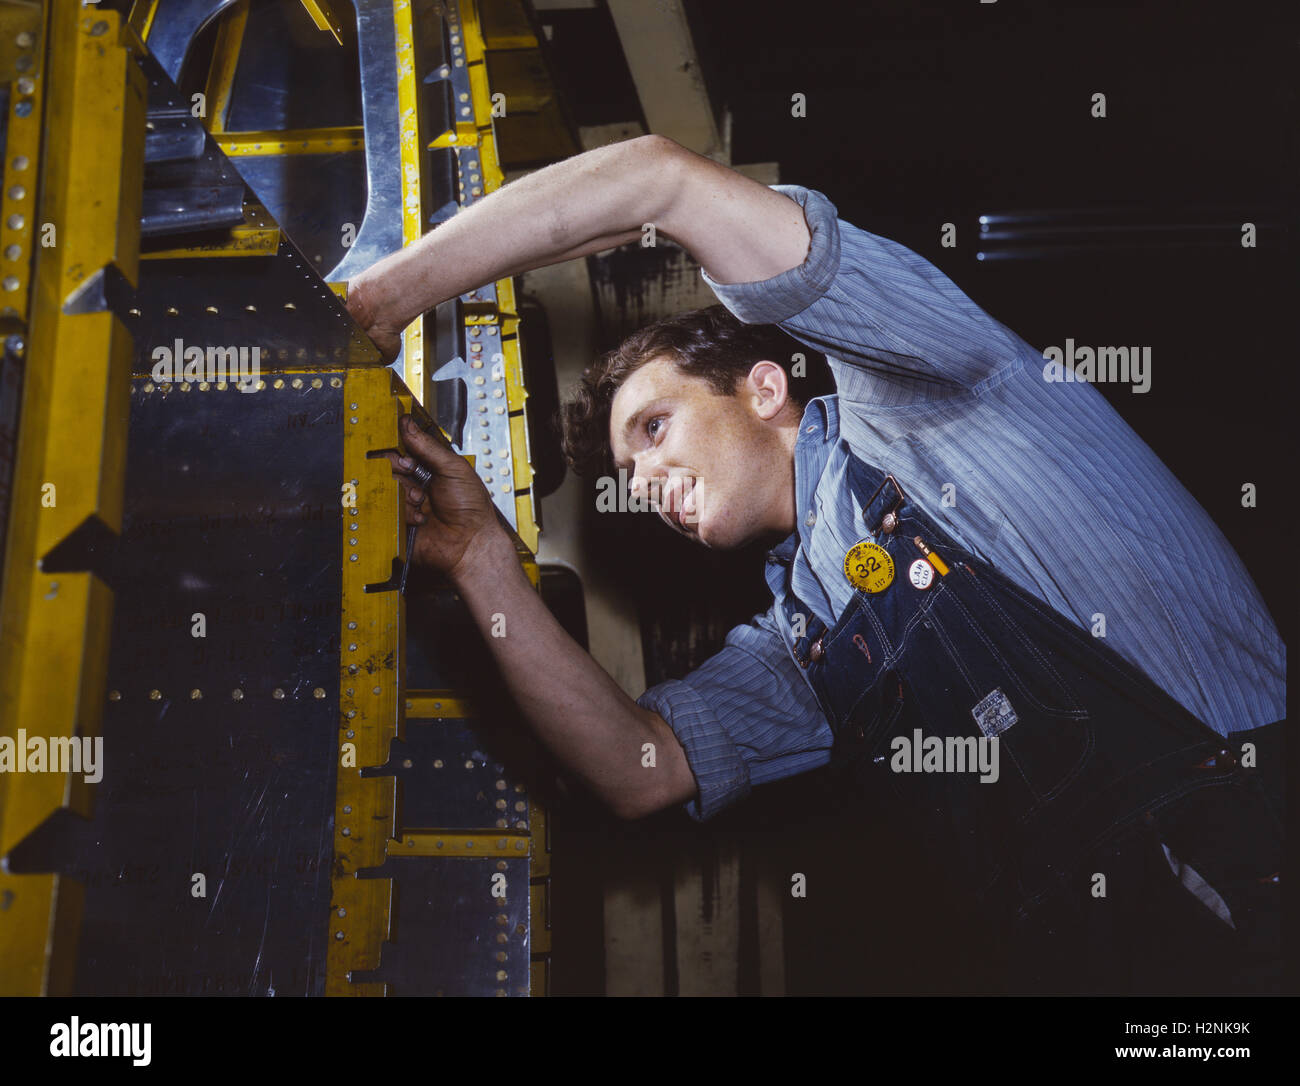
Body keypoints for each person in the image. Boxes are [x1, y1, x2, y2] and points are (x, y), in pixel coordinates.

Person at [346, 134, 1285, 993]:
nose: (647, 483)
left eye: (656, 429)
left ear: (763, 388)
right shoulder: (809, 637)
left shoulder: (924, 395)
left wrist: (380, 303)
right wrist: (479, 563)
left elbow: (657, 179)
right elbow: (640, 769)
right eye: (629, 476)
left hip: (1257, 862)